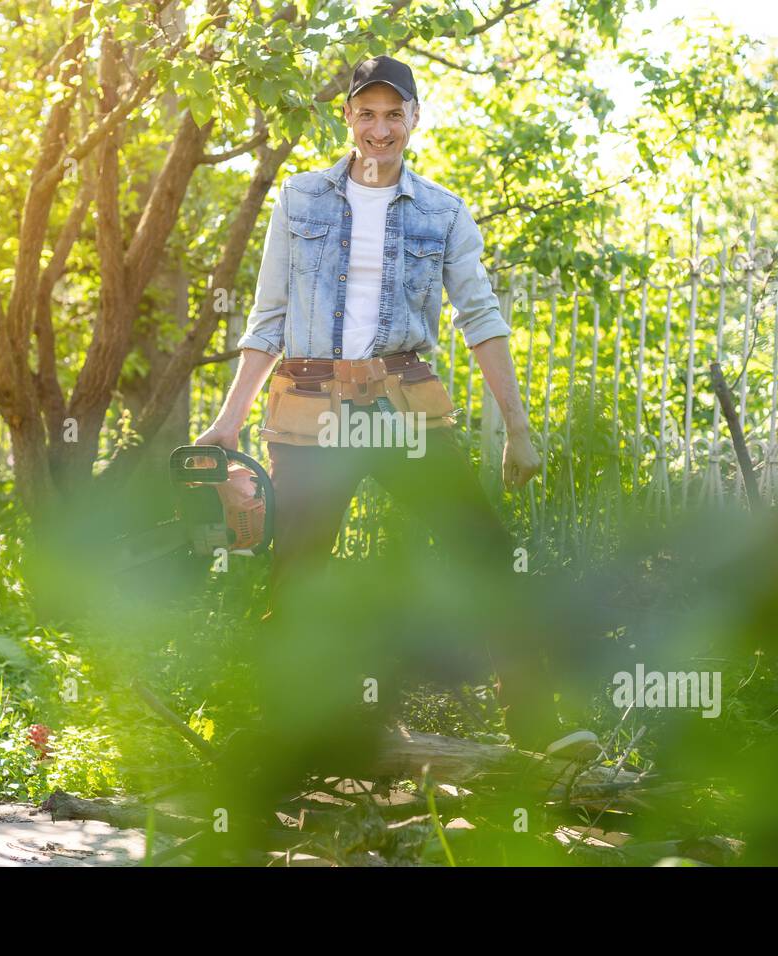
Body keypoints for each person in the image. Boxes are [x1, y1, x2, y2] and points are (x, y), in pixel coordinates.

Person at [196, 55, 573, 753]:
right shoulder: (300, 199)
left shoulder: (443, 211)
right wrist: (228, 420)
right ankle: (286, 737)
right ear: (347, 119)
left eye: (393, 113)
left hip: (406, 409)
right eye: (366, 113)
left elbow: (482, 318)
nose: (379, 128)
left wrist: (518, 428)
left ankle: (540, 739)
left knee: (485, 553)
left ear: (414, 120)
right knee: (300, 572)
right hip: (310, 406)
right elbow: (268, 318)